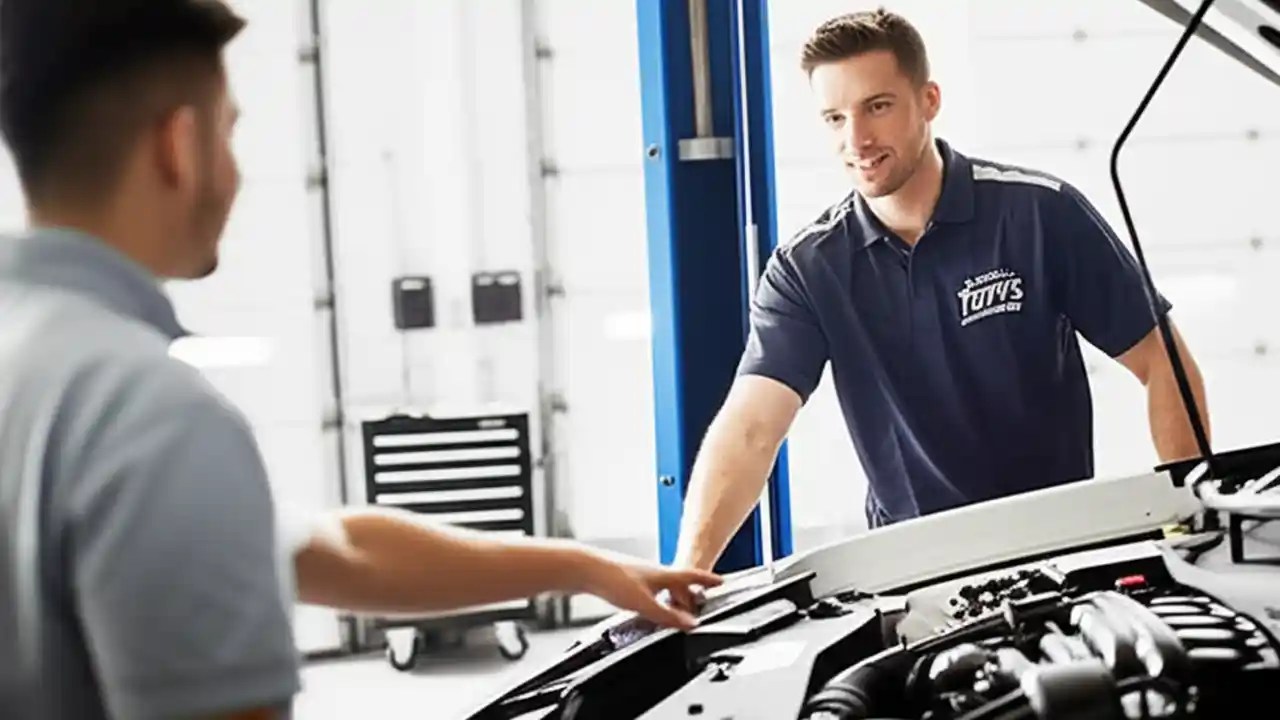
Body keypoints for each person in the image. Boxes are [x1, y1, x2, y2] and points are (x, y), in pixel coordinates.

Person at [0, 2, 717, 719]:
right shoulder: (153, 417)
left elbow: (339, 551)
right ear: (178, 147)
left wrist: (584, 566)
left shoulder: (33, 357)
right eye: (228, 133)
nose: (237, 172)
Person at [671, 8, 1211, 574]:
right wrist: (687, 571)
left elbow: (1163, 363)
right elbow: (752, 429)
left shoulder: (1040, 213)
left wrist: (1192, 522)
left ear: (929, 100)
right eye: (834, 118)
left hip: (1056, 554)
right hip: (912, 568)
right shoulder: (808, 268)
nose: (857, 139)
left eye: (878, 107)